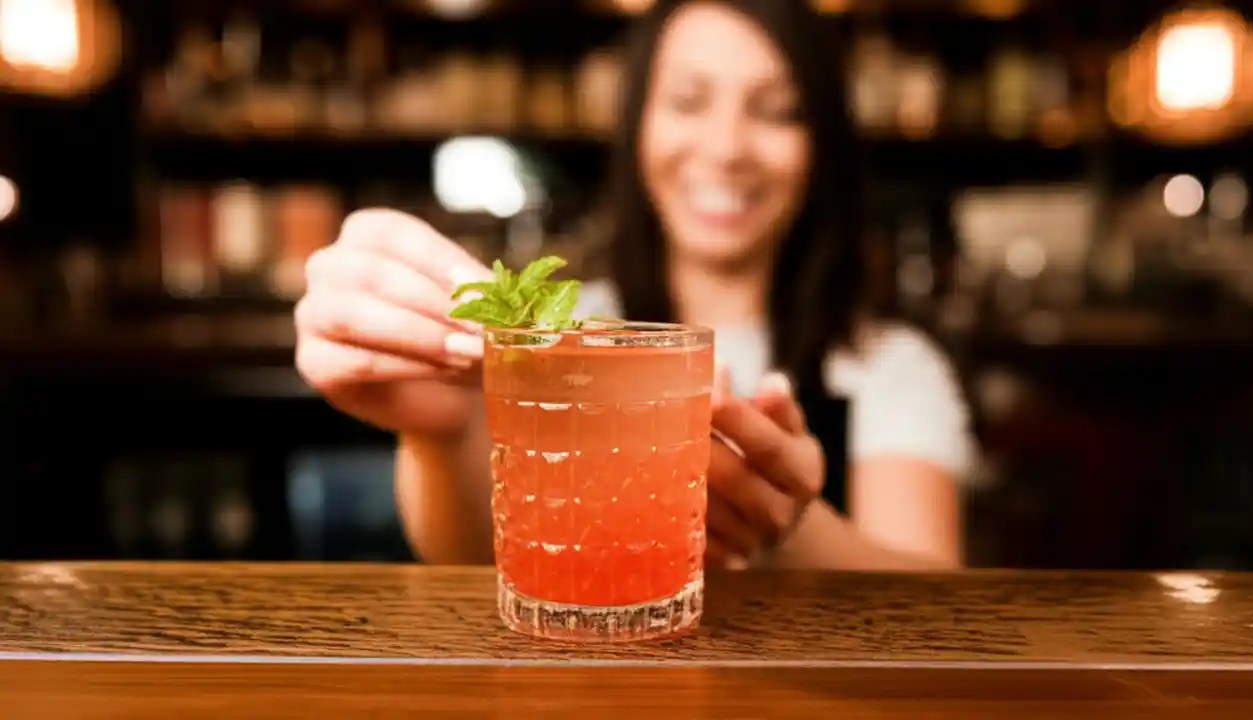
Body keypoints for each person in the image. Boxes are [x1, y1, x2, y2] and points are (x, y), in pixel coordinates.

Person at [293, 0, 977, 571]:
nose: (727, 145)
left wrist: (787, 527)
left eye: (777, 111)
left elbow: (933, 605)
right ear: (638, 127)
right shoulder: (562, 336)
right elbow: (477, 559)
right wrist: (441, 433)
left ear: (820, 147)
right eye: (688, 101)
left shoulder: (891, 366)